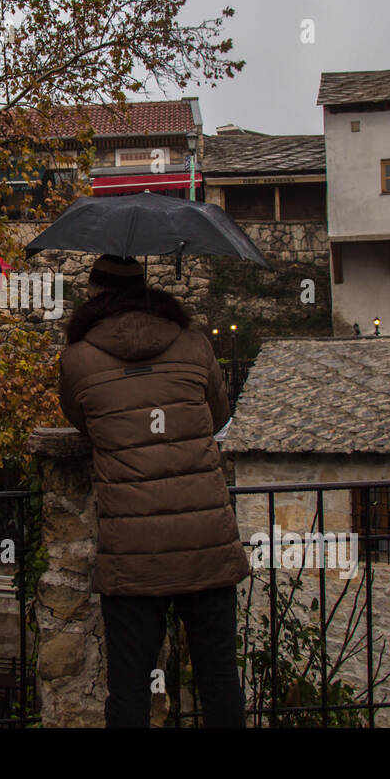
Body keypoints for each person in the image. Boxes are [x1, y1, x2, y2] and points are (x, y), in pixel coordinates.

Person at [58, 255, 250, 728]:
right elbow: (219, 413)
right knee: (220, 679)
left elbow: (82, 420)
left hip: (133, 553)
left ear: (94, 294)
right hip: (205, 542)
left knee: (128, 689)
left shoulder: (78, 359)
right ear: (147, 288)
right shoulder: (194, 344)